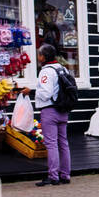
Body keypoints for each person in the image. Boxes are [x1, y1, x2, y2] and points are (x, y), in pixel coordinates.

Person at [32, 44, 72, 186]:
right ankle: (65, 175)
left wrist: (34, 91)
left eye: (39, 54)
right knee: (63, 143)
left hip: (50, 110)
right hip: (63, 110)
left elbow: (46, 93)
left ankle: (53, 176)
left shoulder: (46, 72)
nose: (38, 57)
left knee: (51, 144)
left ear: (43, 56)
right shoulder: (63, 68)